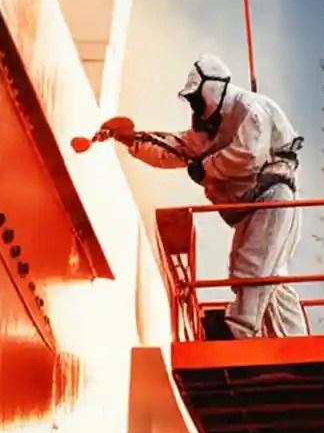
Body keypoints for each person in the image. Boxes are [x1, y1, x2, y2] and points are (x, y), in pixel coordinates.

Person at [108, 53, 307, 339]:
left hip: (272, 200)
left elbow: (249, 155)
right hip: (251, 208)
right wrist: (134, 140)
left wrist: (206, 167)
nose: (194, 106)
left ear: (212, 88)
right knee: (267, 273)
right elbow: (176, 148)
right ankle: (294, 341)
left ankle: (240, 331)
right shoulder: (213, 128)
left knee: (254, 266)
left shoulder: (251, 109)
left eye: (196, 98)